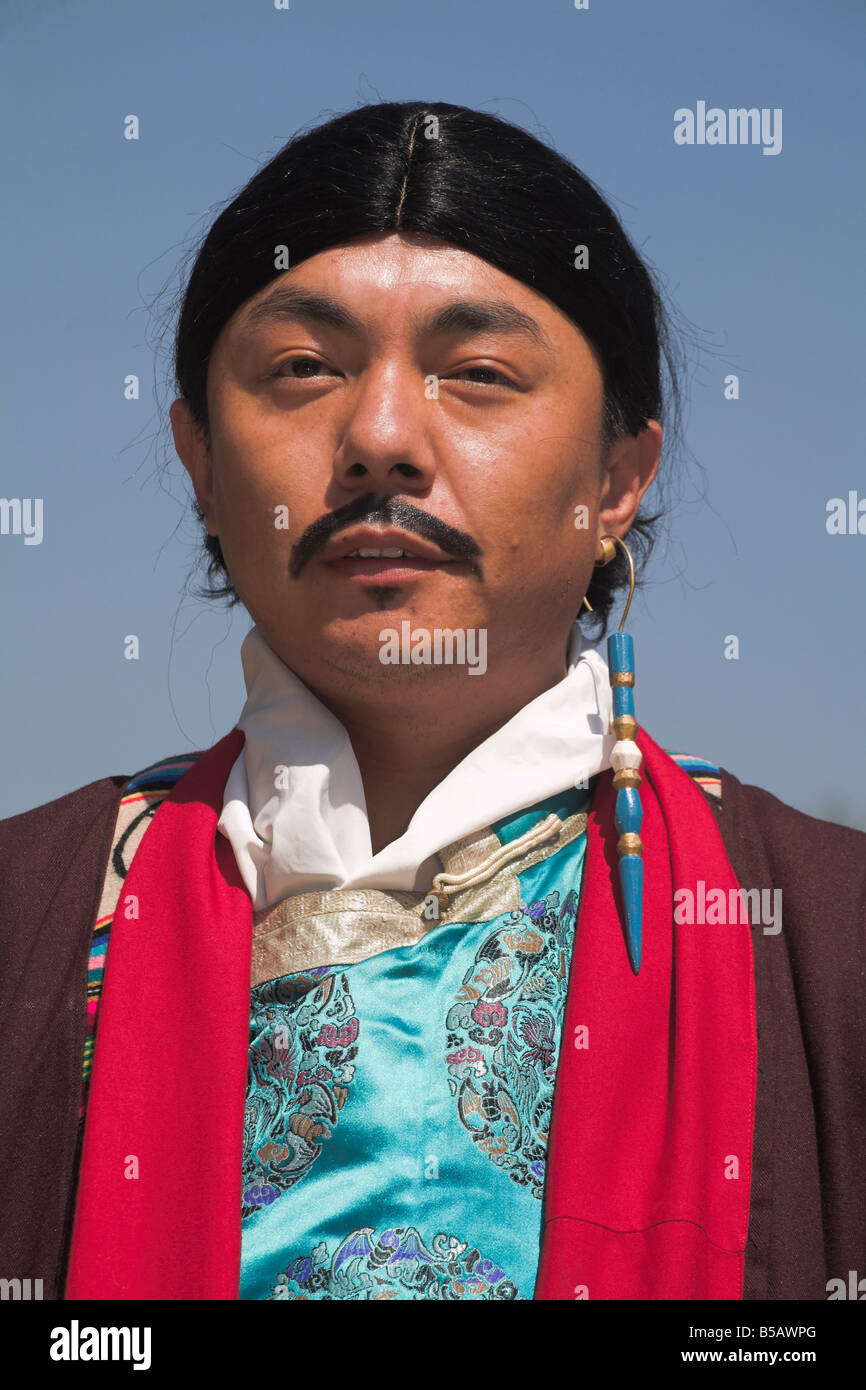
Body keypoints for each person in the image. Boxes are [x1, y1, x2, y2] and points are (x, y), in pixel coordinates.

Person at [1, 100, 863, 1303]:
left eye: (477, 373)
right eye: (302, 368)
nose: (380, 437)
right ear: (200, 464)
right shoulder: (28, 919)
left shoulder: (825, 939)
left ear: (616, 480)